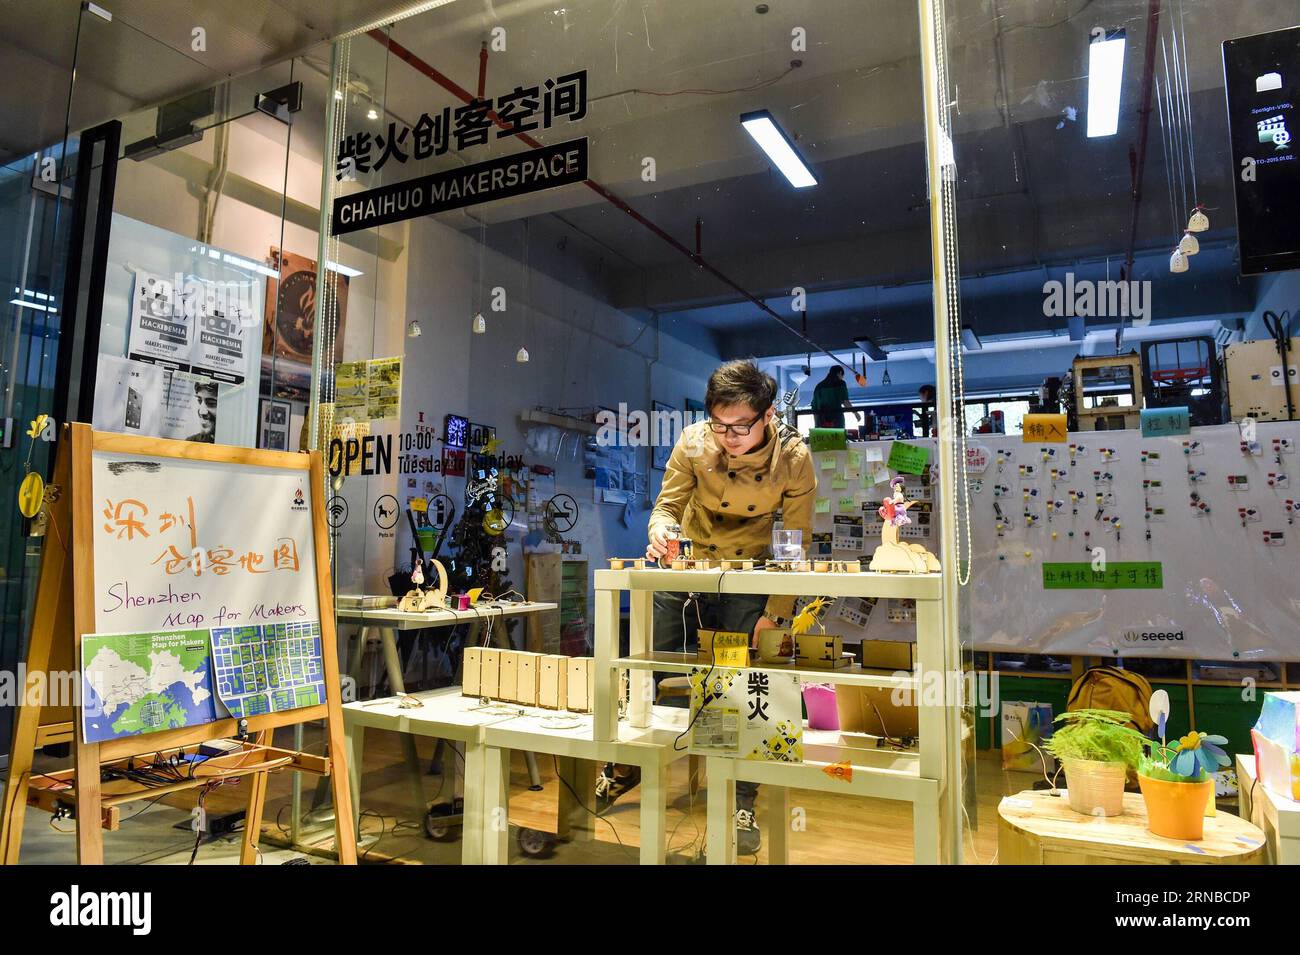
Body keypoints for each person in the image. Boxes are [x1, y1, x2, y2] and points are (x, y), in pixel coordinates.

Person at [597, 359, 816, 855]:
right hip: (689, 561)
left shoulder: (794, 458)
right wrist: (660, 533)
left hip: (750, 571)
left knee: (743, 683)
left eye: (741, 426)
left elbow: (796, 540)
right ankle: (626, 764)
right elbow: (667, 507)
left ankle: (742, 797)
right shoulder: (694, 442)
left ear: (767, 417)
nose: (729, 437)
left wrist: (778, 611)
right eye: (720, 424)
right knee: (649, 663)